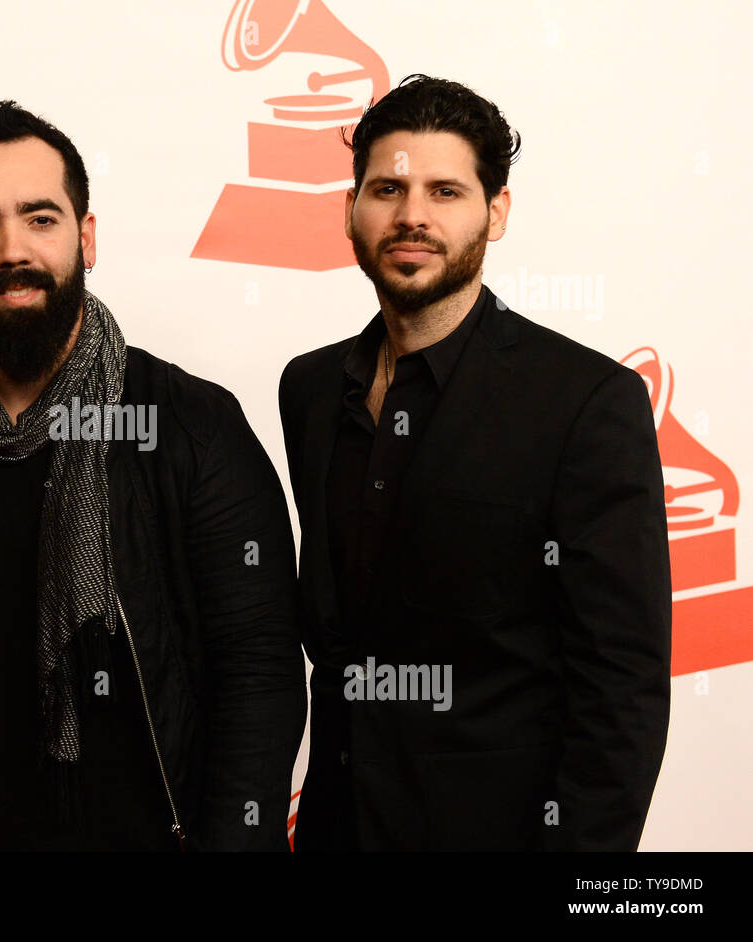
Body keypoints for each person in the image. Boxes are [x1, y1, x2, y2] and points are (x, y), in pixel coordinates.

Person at [0, 100, 306, 850]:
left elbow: (257, 673)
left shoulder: (190, 422)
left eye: (40, 219)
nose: (12, 250)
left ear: (85, 237)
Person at [279, 75, 671, 851]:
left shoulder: (586, 402)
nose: (412, 215)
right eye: (387, 188)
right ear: (351, 211)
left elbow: (620, 691)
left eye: (445, 191)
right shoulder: (312, 388)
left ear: (496, 214)